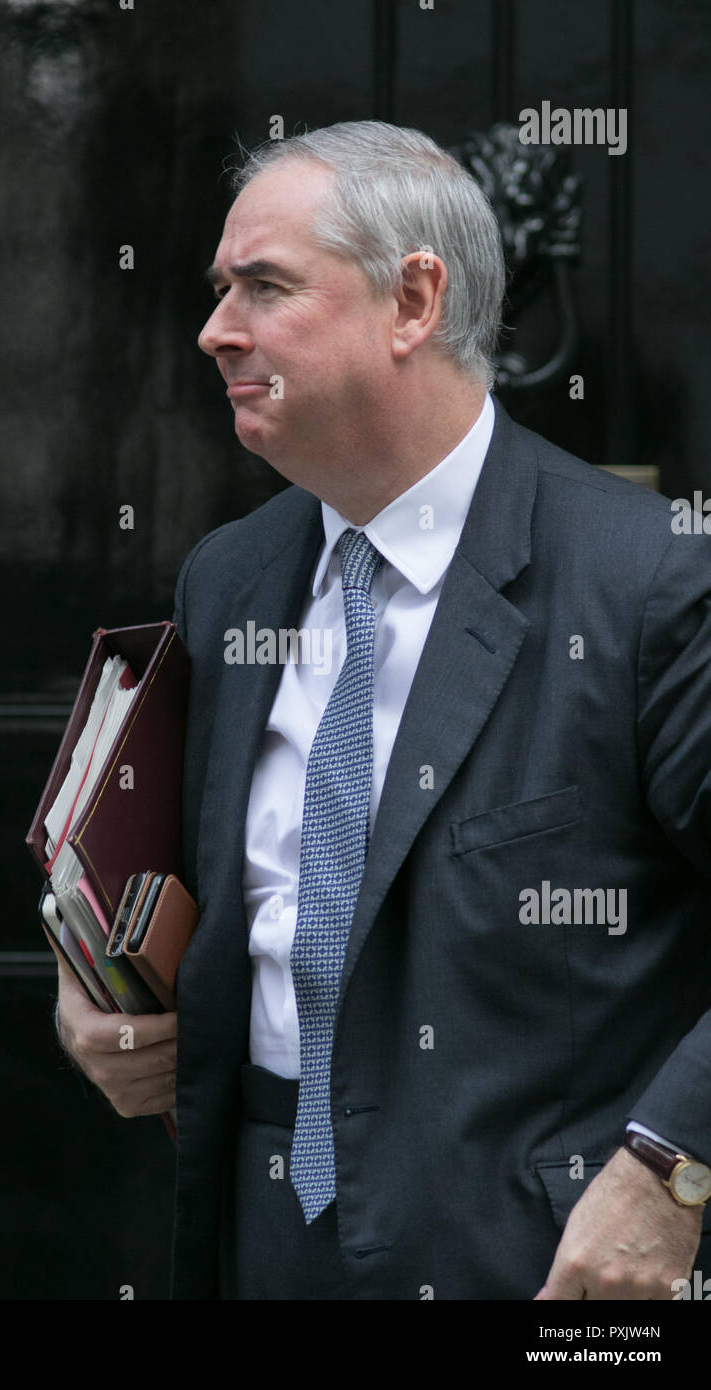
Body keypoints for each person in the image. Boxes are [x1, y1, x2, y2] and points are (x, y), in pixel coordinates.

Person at [56, 120, 711, 1300]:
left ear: (412, 301)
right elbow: (193, 881)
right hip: (256, 1233)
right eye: (218, 290)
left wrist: (669, 1172)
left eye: (263, 285)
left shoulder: (647, 581)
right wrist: (96, 989)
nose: (214, 330)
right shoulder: (231, 579)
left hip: (537, 1259)